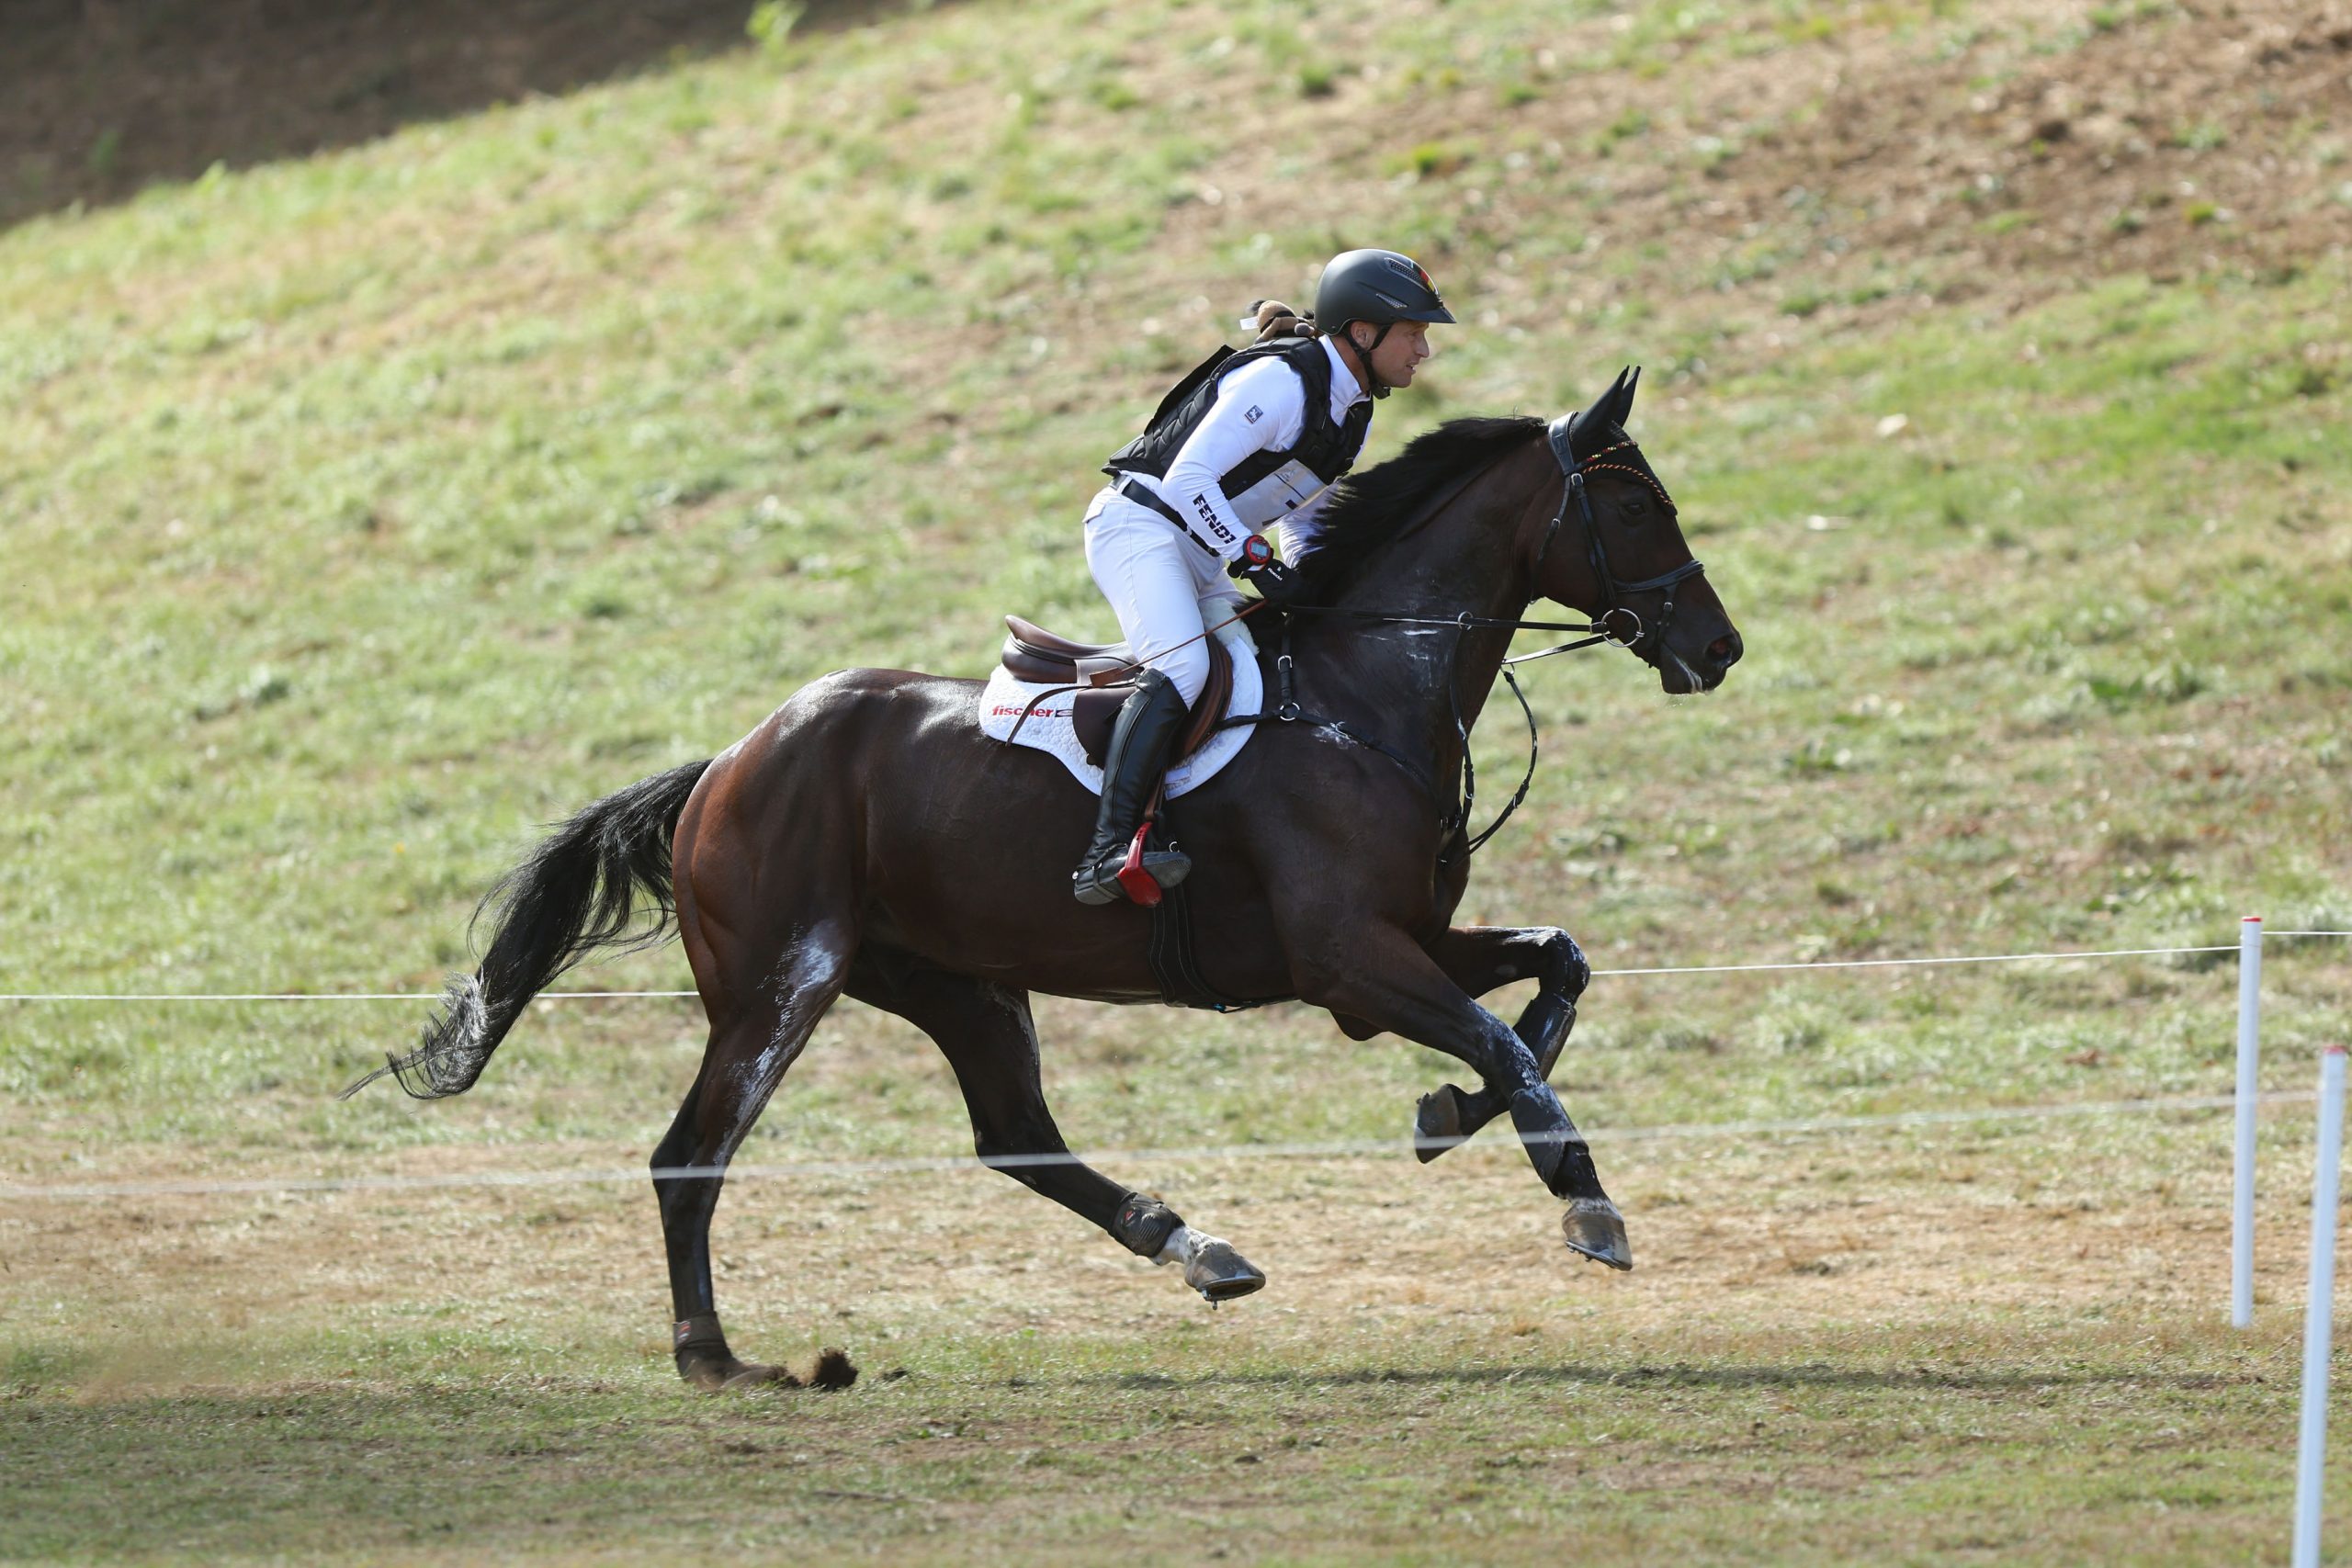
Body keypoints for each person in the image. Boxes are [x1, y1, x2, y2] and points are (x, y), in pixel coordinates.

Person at [1069, 248, 1454, 906]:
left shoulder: (1353, 414)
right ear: (1364, 332)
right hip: (1139, 528)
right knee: (1184, 669)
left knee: (1260, 673)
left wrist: (1311, 583)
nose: (1424, 350)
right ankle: (1107, 848)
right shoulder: (1280, 381)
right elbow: (1187, 479)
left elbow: (1302, 518)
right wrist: (1253, 557)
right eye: (1414, 333)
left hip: (1197, 551)